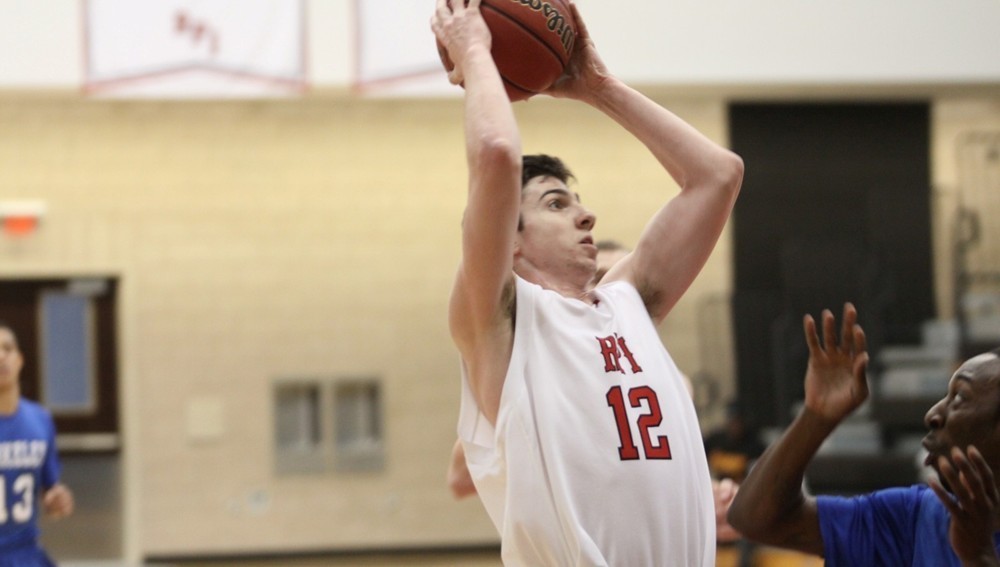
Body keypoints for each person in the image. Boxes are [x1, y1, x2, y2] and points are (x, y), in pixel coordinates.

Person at [433, 0, 744, 563]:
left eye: (578, 202)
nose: (586, 217)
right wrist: (475, 51)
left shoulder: (629, 304)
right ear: (513, 240)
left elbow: (718, 175)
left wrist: (597, 85)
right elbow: (498, 155)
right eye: (557, 203)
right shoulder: (501, 321)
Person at [727, 303, 1000, 566]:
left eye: (960, 396)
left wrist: (979, 558)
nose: (933, 414)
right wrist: (816, 416)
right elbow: (754, 519)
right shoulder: (916, 515)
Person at [0, 322, 75, 567]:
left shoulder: (40, 419)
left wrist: (56, 500)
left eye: (7, 348)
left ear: (19, 359)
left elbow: (49, 492)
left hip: (27, 553)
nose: (1, 356)